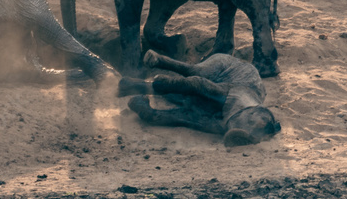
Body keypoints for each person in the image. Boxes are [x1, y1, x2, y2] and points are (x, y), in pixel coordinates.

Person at [118, 50, 281, 147]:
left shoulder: (221, 126)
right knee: (197, 74)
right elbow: (198, 84)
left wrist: (146, 111)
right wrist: (166, 83)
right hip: (228, 70)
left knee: (184, 101)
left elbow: (182, 117)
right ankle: (162, 61)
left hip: (229, 111)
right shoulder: (238, 95)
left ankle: (136, 86)